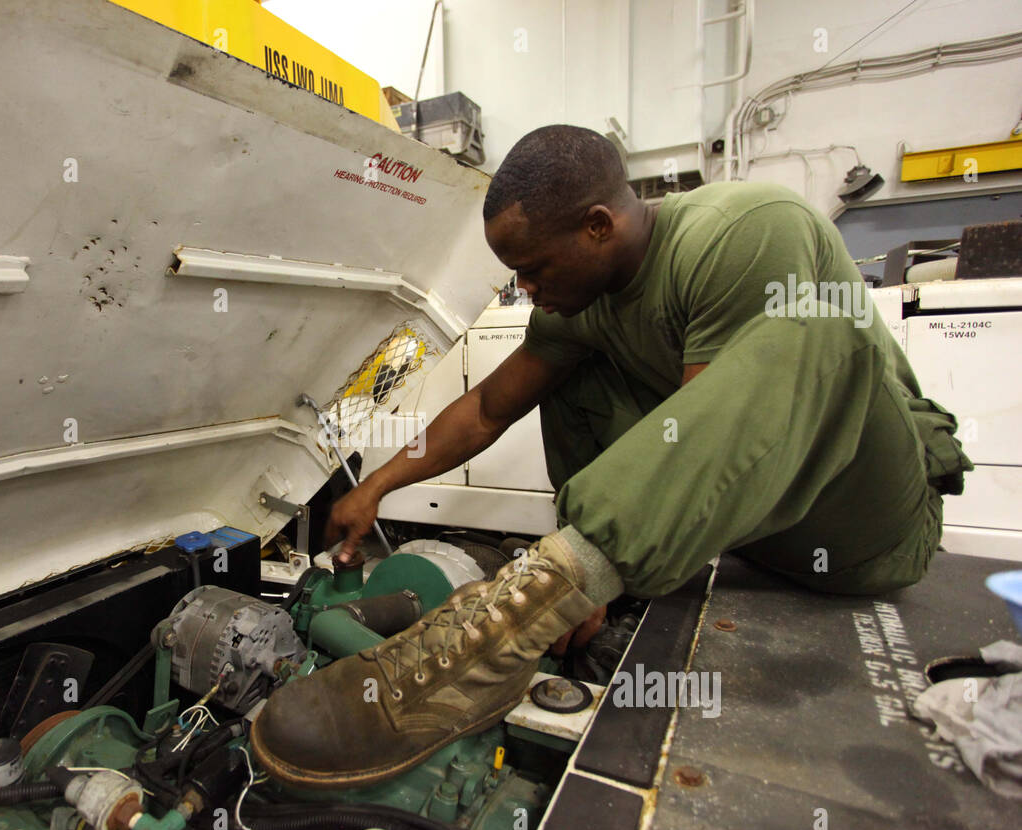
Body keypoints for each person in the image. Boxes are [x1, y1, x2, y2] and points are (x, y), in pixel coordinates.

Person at [250, 124, 972, 789]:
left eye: (532, 269)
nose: (526, 289)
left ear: (599, 226)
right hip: (757, 534)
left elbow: (716, 433)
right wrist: (374, 485)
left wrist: (598, 576)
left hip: (868, 525)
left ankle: (533, 608)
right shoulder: (582, 298)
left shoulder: (745, 232)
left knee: (809, 321)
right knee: (568, 365)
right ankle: (576, 575)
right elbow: (488, 408)